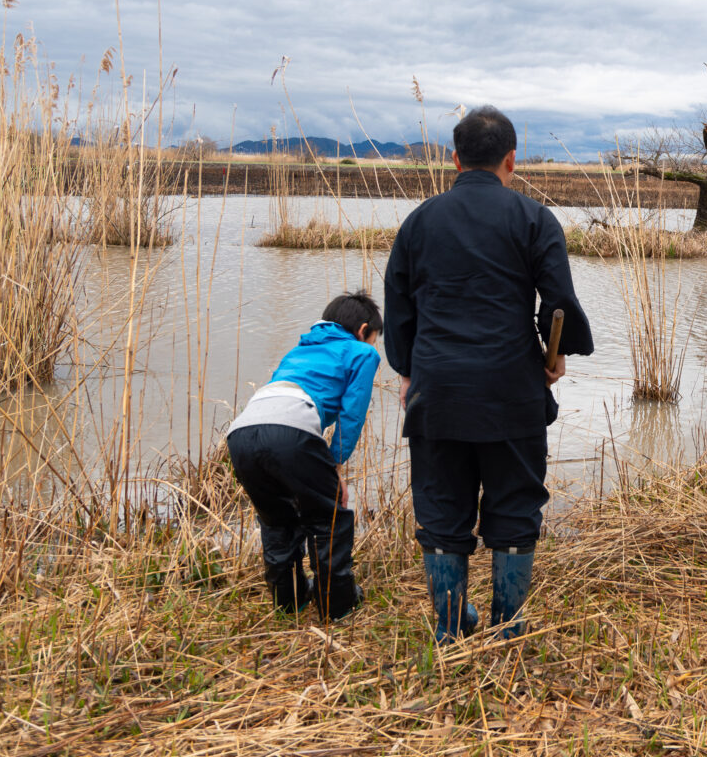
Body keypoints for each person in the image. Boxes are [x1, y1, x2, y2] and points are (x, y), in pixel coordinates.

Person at [383, 105, 593, 644]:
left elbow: (399, 308)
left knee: (441, 511)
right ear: (511, 160)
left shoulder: (419, 222)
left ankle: (449, 631)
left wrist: (407, 371)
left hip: (438, 389)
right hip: (511, 390)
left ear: (454, 159)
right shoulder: (534, 219)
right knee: (515, 507)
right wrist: (558, 353)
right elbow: (559, 302)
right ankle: (507, 626)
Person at [225, 291, 383, 621]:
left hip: (241, 432)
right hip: (290, 430)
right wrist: (334, 463)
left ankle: (290, 602)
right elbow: (352, 416)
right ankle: (337, 606)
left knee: (277, 519)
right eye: (374, 340)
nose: (372, 347)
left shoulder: (298, 351)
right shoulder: (360, 353)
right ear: (363, 330)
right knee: (330, 519)